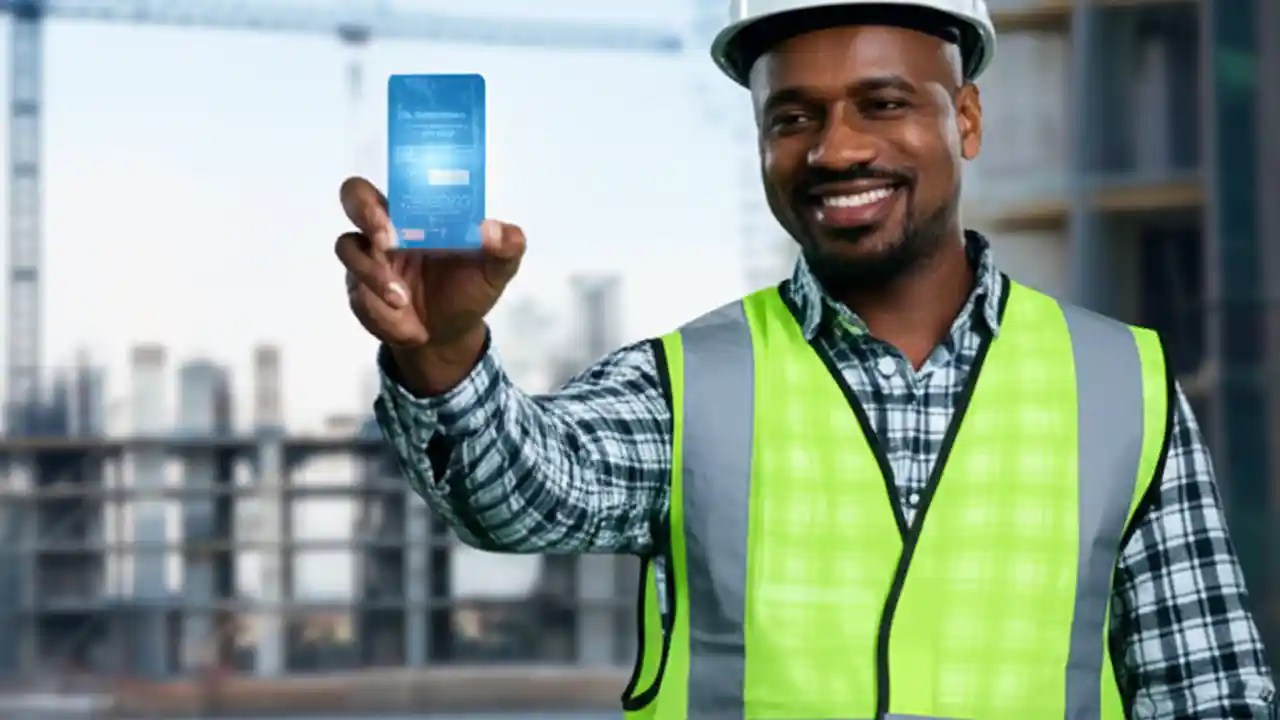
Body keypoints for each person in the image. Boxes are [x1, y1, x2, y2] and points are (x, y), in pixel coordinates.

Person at [334, 0, 1277, 716]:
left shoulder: (1121, 388)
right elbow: (525, 491)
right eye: (792, 118)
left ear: (968, 119)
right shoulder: (690, 385)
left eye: (883, 103)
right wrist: (447, 354)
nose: (836, 149)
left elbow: (1208, 691)